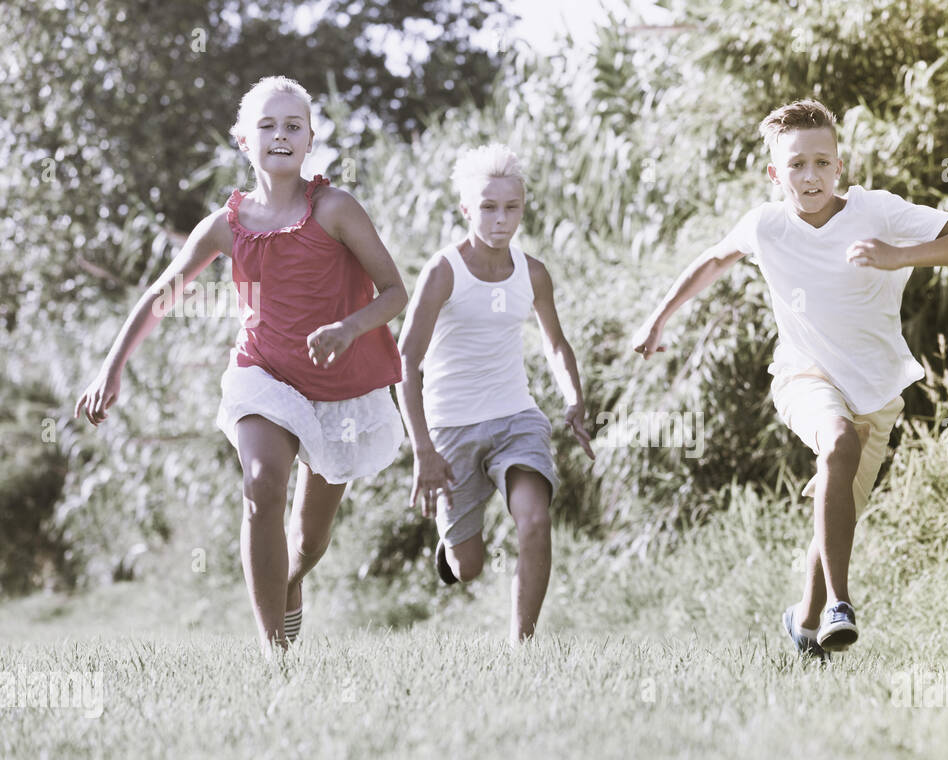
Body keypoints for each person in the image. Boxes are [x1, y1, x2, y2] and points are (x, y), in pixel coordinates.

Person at [633, 99, 948, 657]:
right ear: (775, 174)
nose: (810, 175)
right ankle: (840, 606)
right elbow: (713, 260)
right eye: (797, 164)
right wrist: (658, 319)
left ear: (839, 167)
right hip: (804, 373)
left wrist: (900, 256)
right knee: (838, 442)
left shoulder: (877, 212)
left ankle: (804, 624)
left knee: (839, 506)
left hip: (876, 389)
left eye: (822, 162)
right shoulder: (767, 225)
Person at [74, 76, 408, 659]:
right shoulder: (225, 227)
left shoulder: (335, 209)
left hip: (338, 388)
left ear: (309, 141)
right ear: (243, 140)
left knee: (310, 539)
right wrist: (112, 366)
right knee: (261, 486)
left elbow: (394, 291)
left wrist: (350, 328)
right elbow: (161, 295)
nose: (281, 135)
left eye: (293, 126)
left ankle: (293, 579)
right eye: (267, 126)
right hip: (264, 376)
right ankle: (272, 654)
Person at [396, 143, 594, 642]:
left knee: (534, 520)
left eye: (512, 207)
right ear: (466, 209)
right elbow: (406, 361)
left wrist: (573, 398)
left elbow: (555, 344)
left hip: (515, 419)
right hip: (451, 427)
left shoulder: (533, 273)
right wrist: (422, 449)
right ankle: (451, 547)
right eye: (488, 207)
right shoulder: (444, 272)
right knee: (469, 567)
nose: (501, 219)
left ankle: (521, 646)